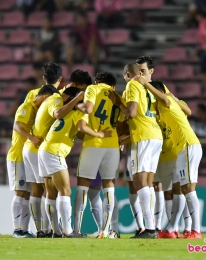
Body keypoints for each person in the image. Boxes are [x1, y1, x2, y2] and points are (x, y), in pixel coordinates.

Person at [39, 86, 112, 238]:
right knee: (65, 191)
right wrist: (99, 134)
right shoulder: (79, 112)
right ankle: (67, 231)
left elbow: (77, 132)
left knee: (51, 193)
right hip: (55, 152)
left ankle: (57, 231)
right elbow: (81, 127)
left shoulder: (68, 112)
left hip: (44, 150)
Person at [135, 77, 203, 239]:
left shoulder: (167, 103)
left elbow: (165, 98)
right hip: (182, 149)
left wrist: (145, 83)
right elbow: (187, 110)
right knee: (181, 189)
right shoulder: (163, 109)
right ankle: (172, 228)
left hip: (188, 145)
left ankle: (196, 230)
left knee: (188, 189)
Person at [23, 63, 82, 238]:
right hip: (41, 145)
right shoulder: (55, 99)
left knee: (42, 190)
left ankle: (47, 230)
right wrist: (76, 100)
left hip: (33, 146)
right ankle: (54, 230)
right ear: (60, 80)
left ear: (43, 79)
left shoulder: (36, 94)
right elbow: (58, 113)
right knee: (55, 190)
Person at [110, 64, 163, 238]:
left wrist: (118, 102)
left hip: (143, 136)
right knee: (148, 182)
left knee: (139, 181)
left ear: (127, 74)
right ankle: (153, 226)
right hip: (155, 135)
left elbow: (131, 112)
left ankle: (148, 228)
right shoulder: (147, 87)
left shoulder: (132, 85)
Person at [74, 72, 122, 238]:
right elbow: (123, 121)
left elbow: (88, 108)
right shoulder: (117, 96)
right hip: (113, 144)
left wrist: (75, 105)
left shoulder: (92, 89)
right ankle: (105, 231)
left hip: (94, 143)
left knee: (83, 185)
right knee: (109, 186)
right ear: (113, 85)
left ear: (96, 81)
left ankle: (76, 230)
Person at [7, 85, 58, 238]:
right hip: (17, 155)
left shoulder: (37, 111)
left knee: (28, 193)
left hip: (27, 155)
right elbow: (16, 126)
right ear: (44, 97)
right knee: (20, 192)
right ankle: (17, 230)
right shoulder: (26, 106)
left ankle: (24, 229)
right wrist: (31, 137)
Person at [145, 81, 193, 238]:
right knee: (168, 192)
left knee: (182, 190)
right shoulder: (154, 108)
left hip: (179, 151)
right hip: (164, 154)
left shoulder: (171, 102)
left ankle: (188, 226)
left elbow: (188, 111)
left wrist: (174, 98)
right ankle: (174, 227)